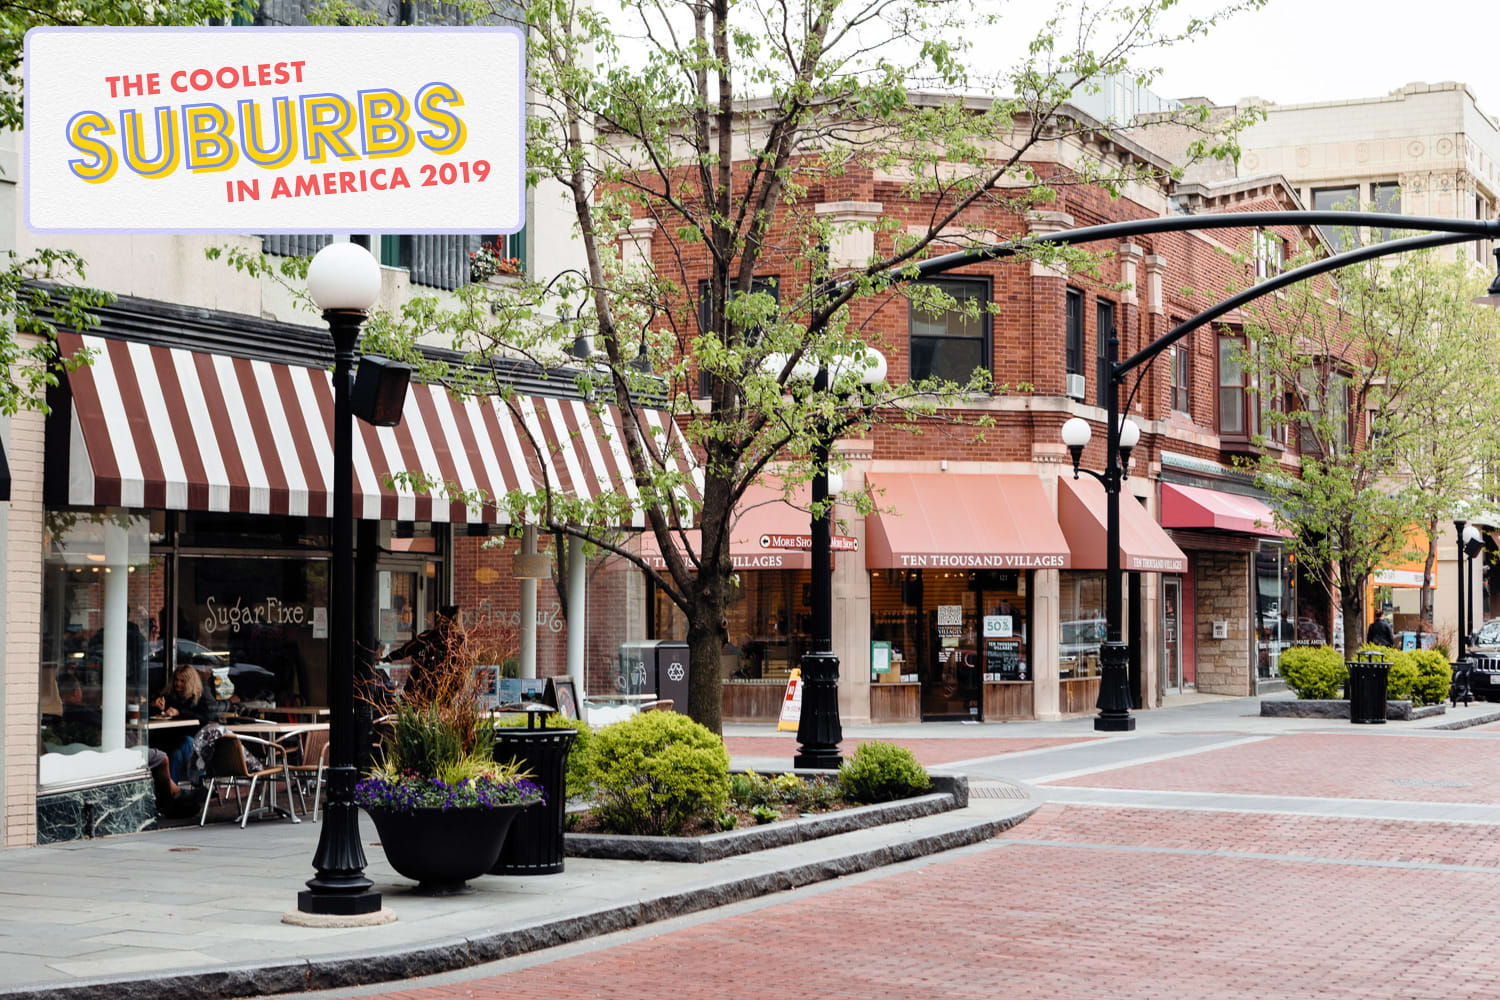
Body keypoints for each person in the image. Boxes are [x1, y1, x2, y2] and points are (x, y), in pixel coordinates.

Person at [153, 664, 220, 782]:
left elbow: (205, 717)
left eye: (182, 681)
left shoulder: (199, 698)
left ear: (189, 682)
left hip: (195, 739)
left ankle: (197, 779)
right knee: (177, 753)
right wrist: (156, 705)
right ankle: (194, 782)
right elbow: (160, 710)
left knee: (183, 745)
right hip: (172, 738)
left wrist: (180, 712)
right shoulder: (170, 695)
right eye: (176, 680)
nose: (178, 684)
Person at [382, 605, 460, 700]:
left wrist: (388, 658)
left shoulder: (429, 637)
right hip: (439, 691)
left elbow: (406, 650)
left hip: (425, 689)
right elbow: (406, 650)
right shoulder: (456, 641)